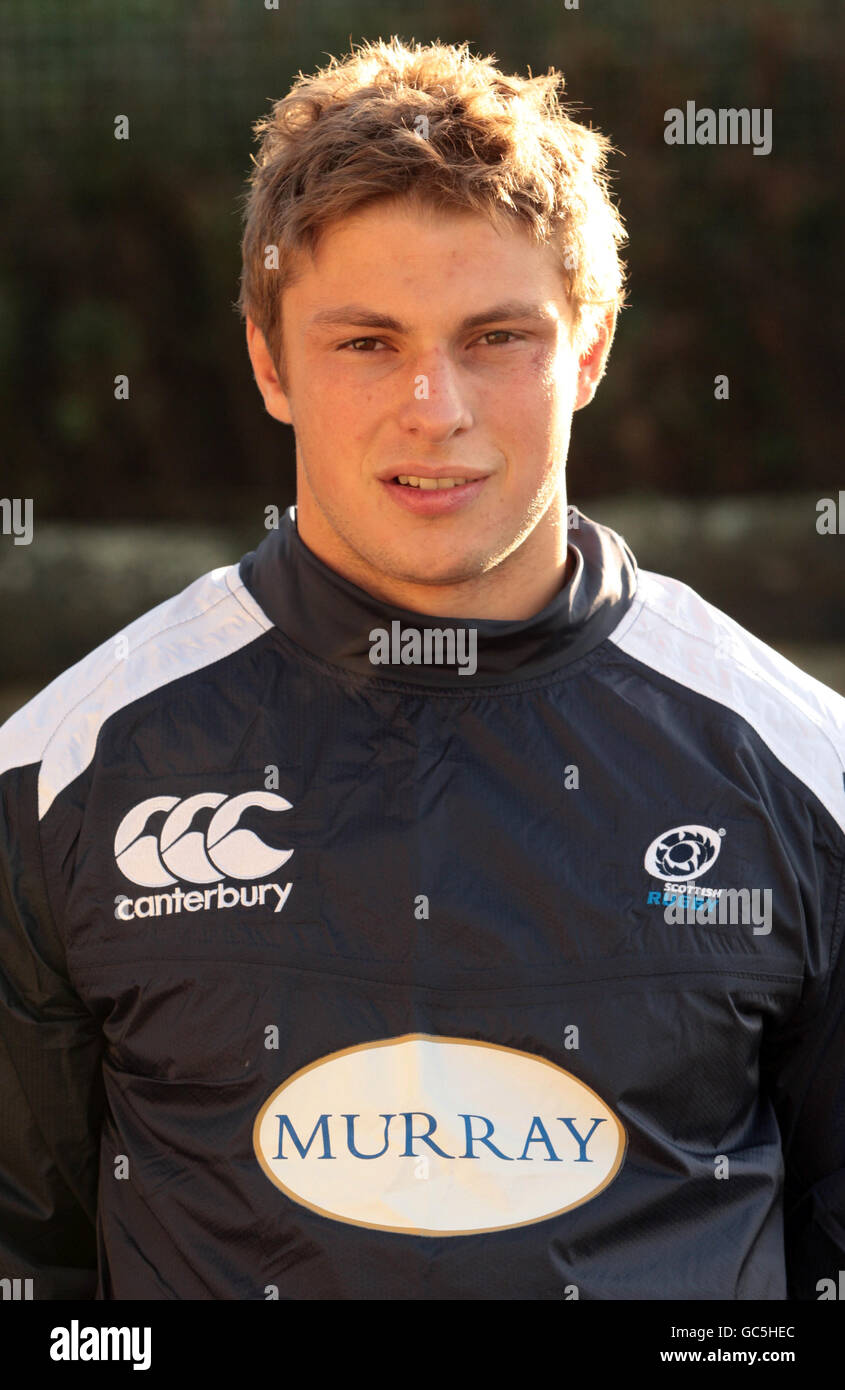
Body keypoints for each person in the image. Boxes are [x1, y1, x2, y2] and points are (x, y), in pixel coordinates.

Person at [0, 36, 842, 1302]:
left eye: (497, 336)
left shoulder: (802, 769)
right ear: (269, 360)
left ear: (591, 349)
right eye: (364, 343)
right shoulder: (59, 777)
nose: (432, 405)